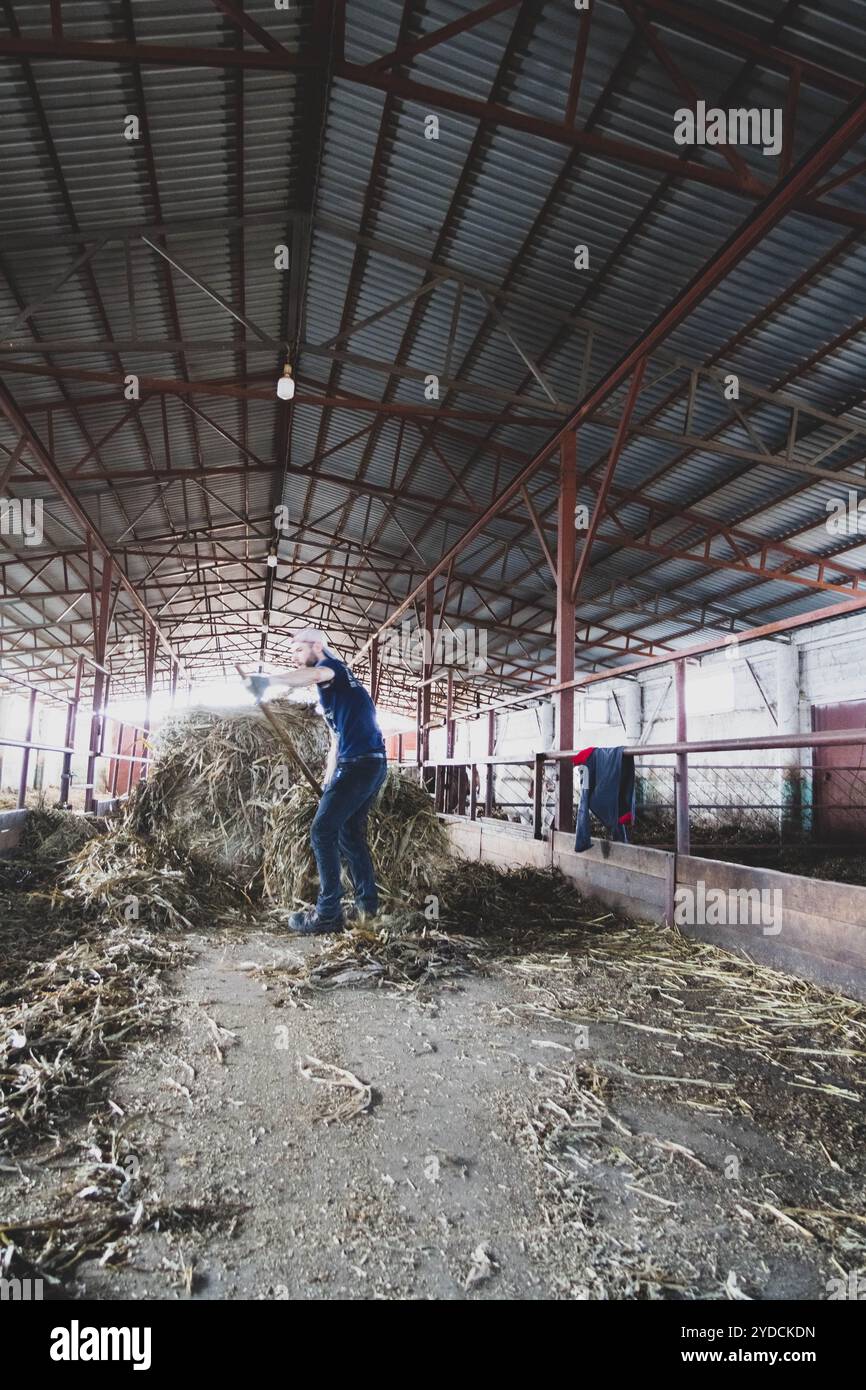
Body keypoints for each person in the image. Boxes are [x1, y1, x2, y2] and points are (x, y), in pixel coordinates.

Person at [244, 629, 387, 934]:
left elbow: (311, 674)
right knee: (349, 833)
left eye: (298, 649)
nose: (294, 657)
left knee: (322, 831)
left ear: (317, 646)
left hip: (360, 765)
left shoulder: (331, 669)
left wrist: (267, 681)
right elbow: (336, 740)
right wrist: (327, 783)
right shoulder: (338, 689)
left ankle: (328, 914)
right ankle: (367, 909)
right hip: (367, 764)